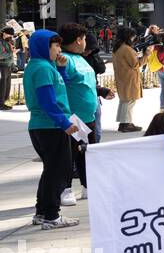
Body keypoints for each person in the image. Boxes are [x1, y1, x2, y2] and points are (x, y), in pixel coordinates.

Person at [24, 30, 79, 230]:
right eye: (55, 45)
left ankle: (42, 212)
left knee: (51, 171)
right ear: (44, 47)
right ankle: (51, 216)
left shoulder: (40, 66)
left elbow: (58, 89)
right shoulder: (43, 68)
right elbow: (48, 101)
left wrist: (61, 69)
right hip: (51, 126)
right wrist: (64, 123)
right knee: (60, 172)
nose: (59, 49)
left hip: (42, 126)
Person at [58, 24, 112, 204]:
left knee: (87, 153)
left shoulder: (81, 58)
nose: (85, 42)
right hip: (72, 117)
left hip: (89, 116)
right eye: (83, 39)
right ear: (77, 40)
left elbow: (85, 84)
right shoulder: (63, 59)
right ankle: (65, 189)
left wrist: (101, 91)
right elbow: (61, 85)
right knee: (70, 155)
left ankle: (88, 186)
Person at [112, 28, 144, 133]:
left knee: (125, 101)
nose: (134, 38)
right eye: (132, 36)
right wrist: (146, 56)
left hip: (122, 77)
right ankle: (126, 124)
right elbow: (136, 64)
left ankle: (123, 123)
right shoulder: (127, 49)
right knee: (130, 101)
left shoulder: (118, 48)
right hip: (129, 78)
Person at [0, 26, 16, 109]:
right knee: (2, 86)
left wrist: (13, 65)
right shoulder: (0, 41)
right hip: (2, 66)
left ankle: (4, 102)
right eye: (9, 35)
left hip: (8, 65)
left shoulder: (7, 41)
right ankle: (1, 103)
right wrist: (11, 53)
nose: (11, 37)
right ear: (4, 33)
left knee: (7, 86)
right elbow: (1, 55)